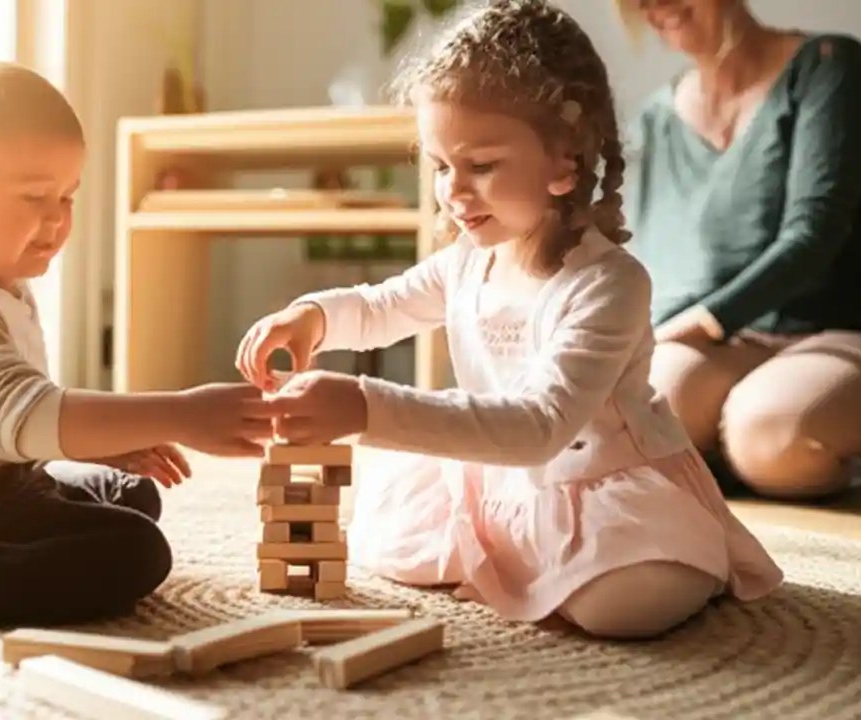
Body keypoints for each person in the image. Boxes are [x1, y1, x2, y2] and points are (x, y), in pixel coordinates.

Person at [236, 0, 781, 639]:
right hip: (499, 474)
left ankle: (643, 558)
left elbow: (538, 427)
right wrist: (313, 320)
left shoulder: (609, 283)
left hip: (597, 482)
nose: (454, 192)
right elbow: (383, 306)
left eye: (482, 166)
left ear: (564, 162)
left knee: (623, 608)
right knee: (384, 534)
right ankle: (522, 560)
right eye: (441, 167)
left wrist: (364, 408)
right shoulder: (469, 259)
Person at [0, 63, 276, 628]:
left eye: (68, 198)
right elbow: (29, 418)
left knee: (133, 494)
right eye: (34, 197)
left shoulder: (3, 287)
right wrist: (181, 413)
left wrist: (103, 445)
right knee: (138, 550)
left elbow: (11, 426)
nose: (56, 220)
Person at [619, 0, 861, 499]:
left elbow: (812, 236)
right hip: (728, 346)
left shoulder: (829, 66)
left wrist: (694, 326)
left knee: (767, 434)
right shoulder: (656, 116)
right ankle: (724, 453)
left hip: (843, 337)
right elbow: (658, 259)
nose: (658, 6)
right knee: (647, 408)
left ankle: (774, 453)